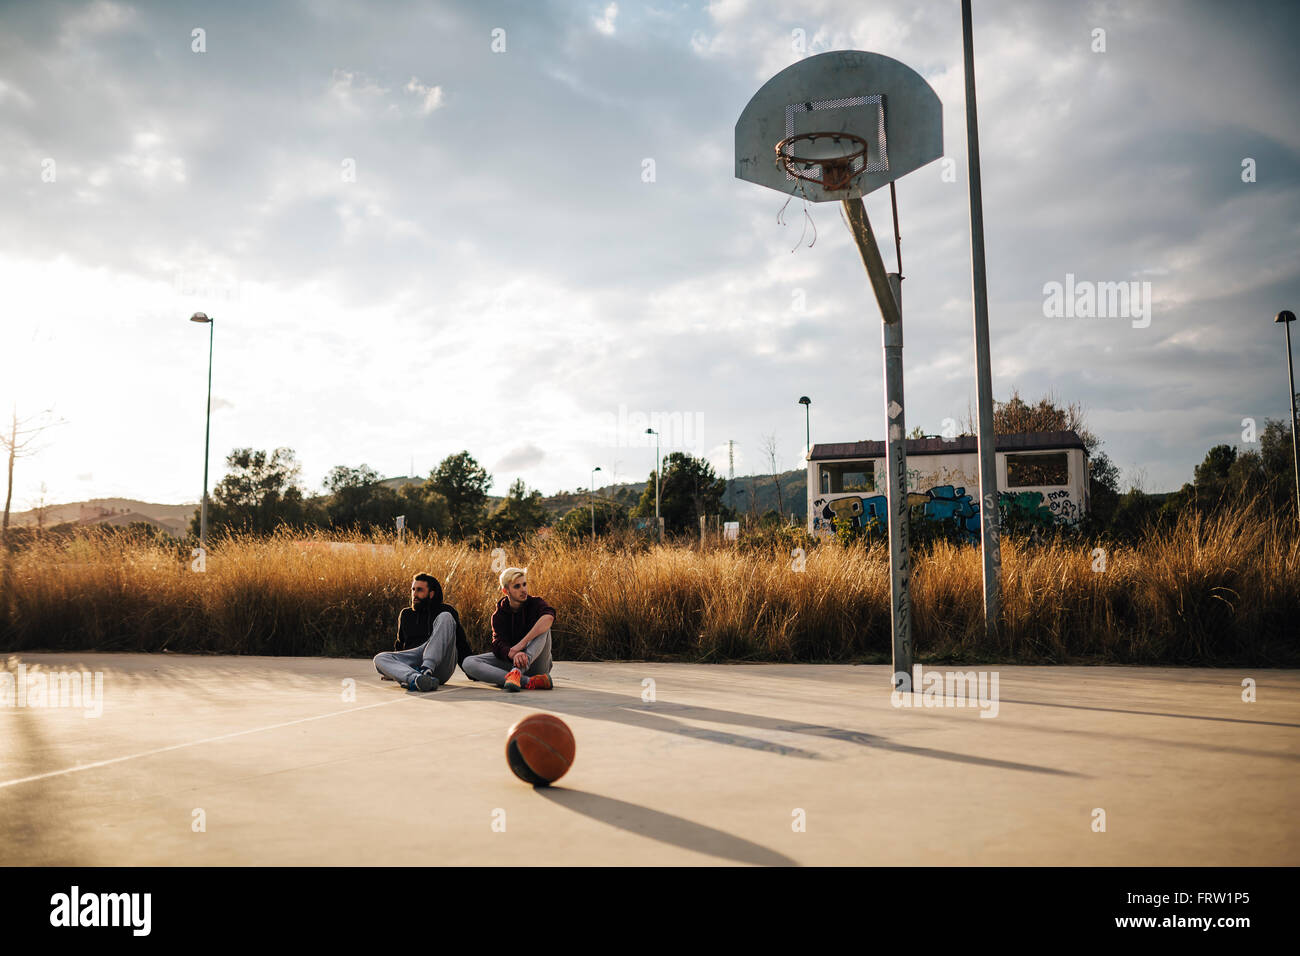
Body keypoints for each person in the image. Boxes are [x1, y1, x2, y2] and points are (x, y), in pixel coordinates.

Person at [373, 573, 471, 692]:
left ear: (431, 594)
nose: (414, 594)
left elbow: (461, 644)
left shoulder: (446, 611)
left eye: (419, 590)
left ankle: (426, 669)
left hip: (440, 665)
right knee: (379, 658)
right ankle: (416, 679)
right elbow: (400, 645)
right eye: (413, 590)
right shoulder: (406, 614)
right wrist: (394, 671)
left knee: (446, 617)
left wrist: (471, 671)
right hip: (415, 664)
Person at [461, 567, 555, 692]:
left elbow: (549, 618)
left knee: (544, 626)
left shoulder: (536, 603)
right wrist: (514, 653)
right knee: (468, 662)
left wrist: (521, 645)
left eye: (524, 584)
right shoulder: (499, 615)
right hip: (513, 660)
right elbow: (498, 644)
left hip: (537, 663)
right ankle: (527, 681)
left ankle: (517, 672)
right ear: (505, 591)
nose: (523, 590)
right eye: (517, 586)